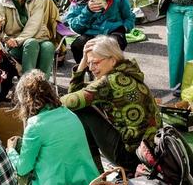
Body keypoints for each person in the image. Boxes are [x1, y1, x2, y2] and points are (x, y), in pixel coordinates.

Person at [62, 36, 159, 172]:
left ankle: (95, 172)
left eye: (95, 62)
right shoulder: (127, 71)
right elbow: (75, 93)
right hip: (151, 150)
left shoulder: (108, 82)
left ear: (112, 60)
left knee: (83, 110)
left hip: (132, 157)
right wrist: (84, 60)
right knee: (85, 105)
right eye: (89, 63)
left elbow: (70, 101)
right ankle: (96, 170)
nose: (91, 68)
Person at [8, 71, 99, 185]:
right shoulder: (69, 114)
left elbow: (22, 169)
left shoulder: (35, 126)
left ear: (25, 100)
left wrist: (10, 151)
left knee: (16, 164)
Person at [65, 0, 134, 63]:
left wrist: (124, 28)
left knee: (112, 46)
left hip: (113, 31)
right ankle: (86, 70)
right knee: (77, 45)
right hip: (90, 33)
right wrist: (88, 11)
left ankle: (112, 71)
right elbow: (75, 26)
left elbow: (129, 16)